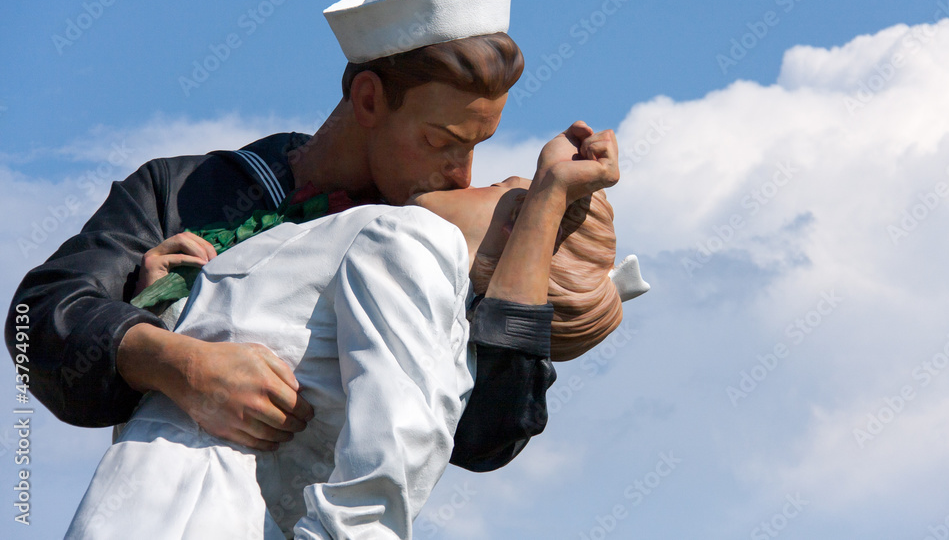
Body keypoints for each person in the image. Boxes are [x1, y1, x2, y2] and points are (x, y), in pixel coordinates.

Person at [6, 0, 566, 469]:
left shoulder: (436, 242)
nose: (463, 175)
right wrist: (174, 359)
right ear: (369, 100)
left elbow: (487, 436)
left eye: (476, 147)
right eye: (441, 141)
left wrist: (529, 254)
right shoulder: (178, 192)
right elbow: (36, 320)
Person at [65, 125, 643, 539]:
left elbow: (391, 459)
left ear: (516, 224)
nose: (466, 177)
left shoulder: (415, 239)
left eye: (497, 186)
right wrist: (167, 309)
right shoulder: (409, 279)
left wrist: (546, 200)